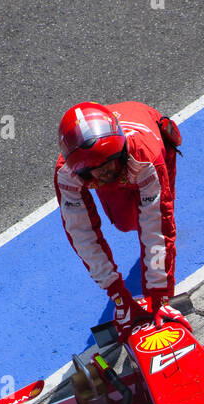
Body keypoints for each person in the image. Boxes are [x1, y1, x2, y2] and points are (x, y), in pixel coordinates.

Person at [55, 101, 183, 336]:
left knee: (156, 221)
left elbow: (157, 229)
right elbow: (82, 235)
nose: (105, 172)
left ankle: (158, 284)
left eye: (108, 161)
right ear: (79, 169)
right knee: (126, 223)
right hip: (124, 163)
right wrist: (118, 295)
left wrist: (160, 299)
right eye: (96, 169)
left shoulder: (147, 157)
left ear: (120, 150)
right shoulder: (67, 174)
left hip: (151, 151)